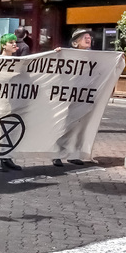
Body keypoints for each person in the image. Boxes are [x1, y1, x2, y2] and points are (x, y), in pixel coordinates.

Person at [53, 28, 92, 167]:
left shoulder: (95, 56)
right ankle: (56, 154)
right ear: (75, 43)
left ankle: (73, 154)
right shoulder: (67, 54)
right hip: (68, 96)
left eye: (89, 37)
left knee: (79, 126)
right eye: (84, 37)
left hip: (84, 97)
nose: (88, 39)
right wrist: (57, 54)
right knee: (64, 125)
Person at [0, 34, 24, 172]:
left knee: (11, 130)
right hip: (1, 100)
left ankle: (7, 157)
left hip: (13, 100)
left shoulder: (17, 61)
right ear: (3, 45)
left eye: (14, 42)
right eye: (10, 42)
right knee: (1, 130)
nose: (13, 44)